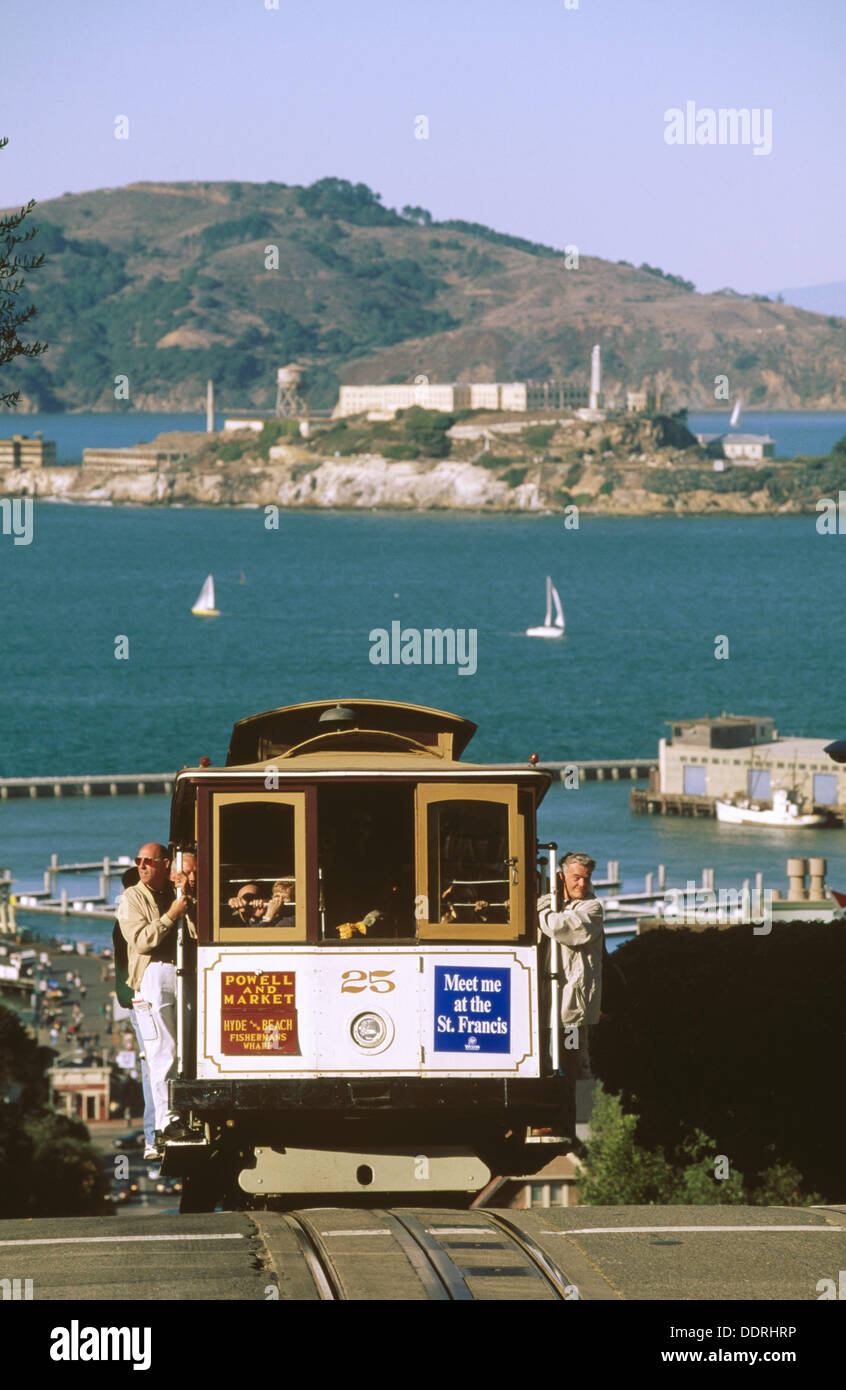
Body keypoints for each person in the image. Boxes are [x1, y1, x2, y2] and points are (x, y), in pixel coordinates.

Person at [117, 842, 192, 1145]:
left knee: (185, 1051)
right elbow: (141, 940)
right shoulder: (131, 898)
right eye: (139, 861)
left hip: (182, 971)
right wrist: (171, 915)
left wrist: (186, 896)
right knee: (163, 1051)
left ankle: (182, 1116)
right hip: (152, 976)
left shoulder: (174, 894)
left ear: (164, 864)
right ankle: (166, 1124)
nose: (142, 866)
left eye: (149, 861)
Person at [536, 851, 605, 1139]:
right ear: (562, 876)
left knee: (575, 1062)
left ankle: (583, 1128)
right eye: (576, 877)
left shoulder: (592, 908)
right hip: (545, 1001)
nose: (582, 884)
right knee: (541, 1063)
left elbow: (565, 927)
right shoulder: (549, 902)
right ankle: (548, 1120)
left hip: (574, 1006)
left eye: (586, 878)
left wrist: (540, 912)